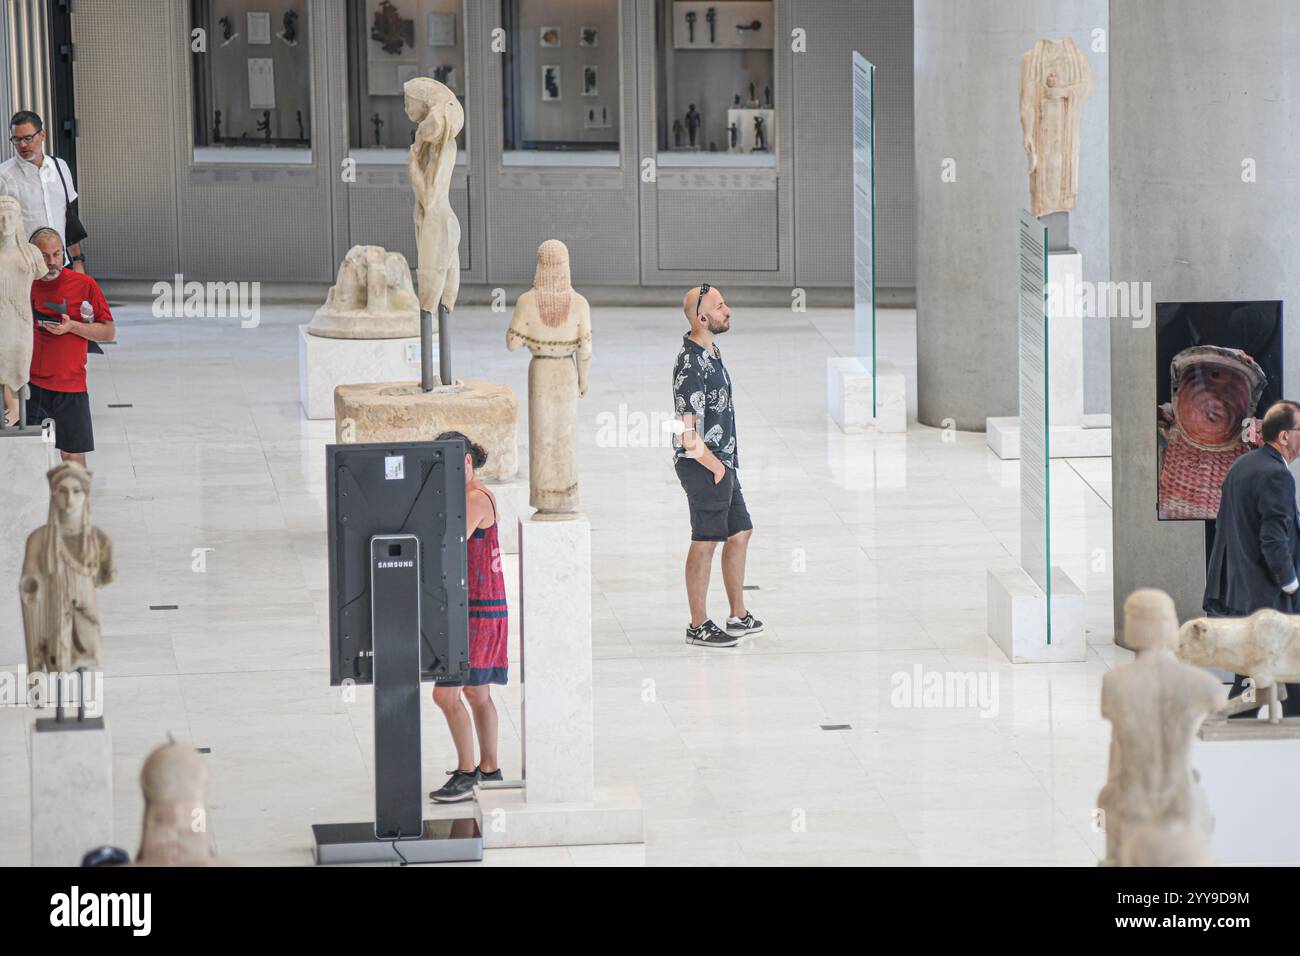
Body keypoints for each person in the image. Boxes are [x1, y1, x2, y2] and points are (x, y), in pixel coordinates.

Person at [671, 283, 763, 648]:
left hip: (723, 461)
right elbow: (685, 432)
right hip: (704, 464)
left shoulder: (713, 350)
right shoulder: (690, 363)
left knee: (740, 532)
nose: (728, 310)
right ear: (702, 317)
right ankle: (698, 624)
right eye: (720, 306)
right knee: (706, 540)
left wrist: (726, 465)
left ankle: (738, 614)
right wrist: (716, 468)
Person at [1203, 399, 1300, 716]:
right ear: (1284, 436)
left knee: (1254, 677)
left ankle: (1231, 726)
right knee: (1281, 675)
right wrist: (1290, 583)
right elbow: (1273, 539)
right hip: (1269, 599)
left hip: (1241, 593)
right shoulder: (1276, 475)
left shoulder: (1244, 465)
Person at [429, 430, 507, 803]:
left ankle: (465, 773)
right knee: (477, 692)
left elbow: (443, 543)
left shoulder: (475, 500)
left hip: (478, 611)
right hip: (480, 608)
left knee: (446, 696)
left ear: (467, 462)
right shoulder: (462, 496)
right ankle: (489, 770)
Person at [26, 228, 114, 466]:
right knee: (30, 456)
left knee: (73, 457)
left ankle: (75, 505)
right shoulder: (22, 284)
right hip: (30, 387)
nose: (52, 262)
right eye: (45, 256)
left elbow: (108, 332)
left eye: (56, 254)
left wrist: (73, 326)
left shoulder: (84, 285)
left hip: (71, 387)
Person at [0, 111, 86, 272]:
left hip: (61, 265)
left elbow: (68, 217)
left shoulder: (60, 167)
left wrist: (78, 261)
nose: (23, 145)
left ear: (42, 135)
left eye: (28, 138)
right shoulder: (4, 175)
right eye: (17, 139)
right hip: (24, 270)